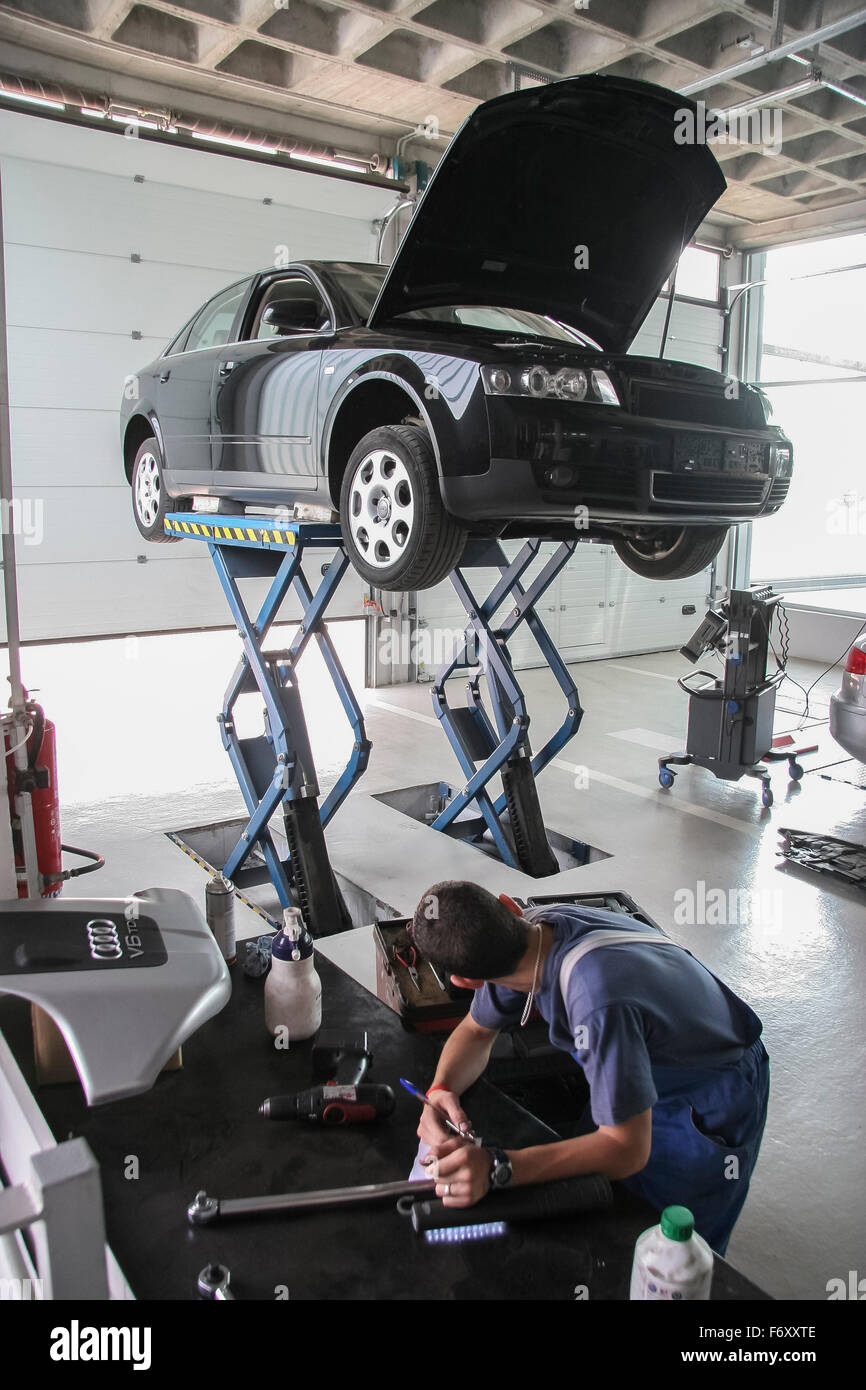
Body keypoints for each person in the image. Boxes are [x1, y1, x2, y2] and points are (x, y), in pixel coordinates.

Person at [409, 880, 770, 1255]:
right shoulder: (533, 933)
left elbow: (627, 1148)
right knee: (601, 1199)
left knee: (674, 1244)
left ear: (464, 982)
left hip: (709, 1088)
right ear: (508, 905)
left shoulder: (596, 1002)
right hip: (644, 1054)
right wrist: (439, 1092)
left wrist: (498, 1167)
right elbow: (475, 1031)